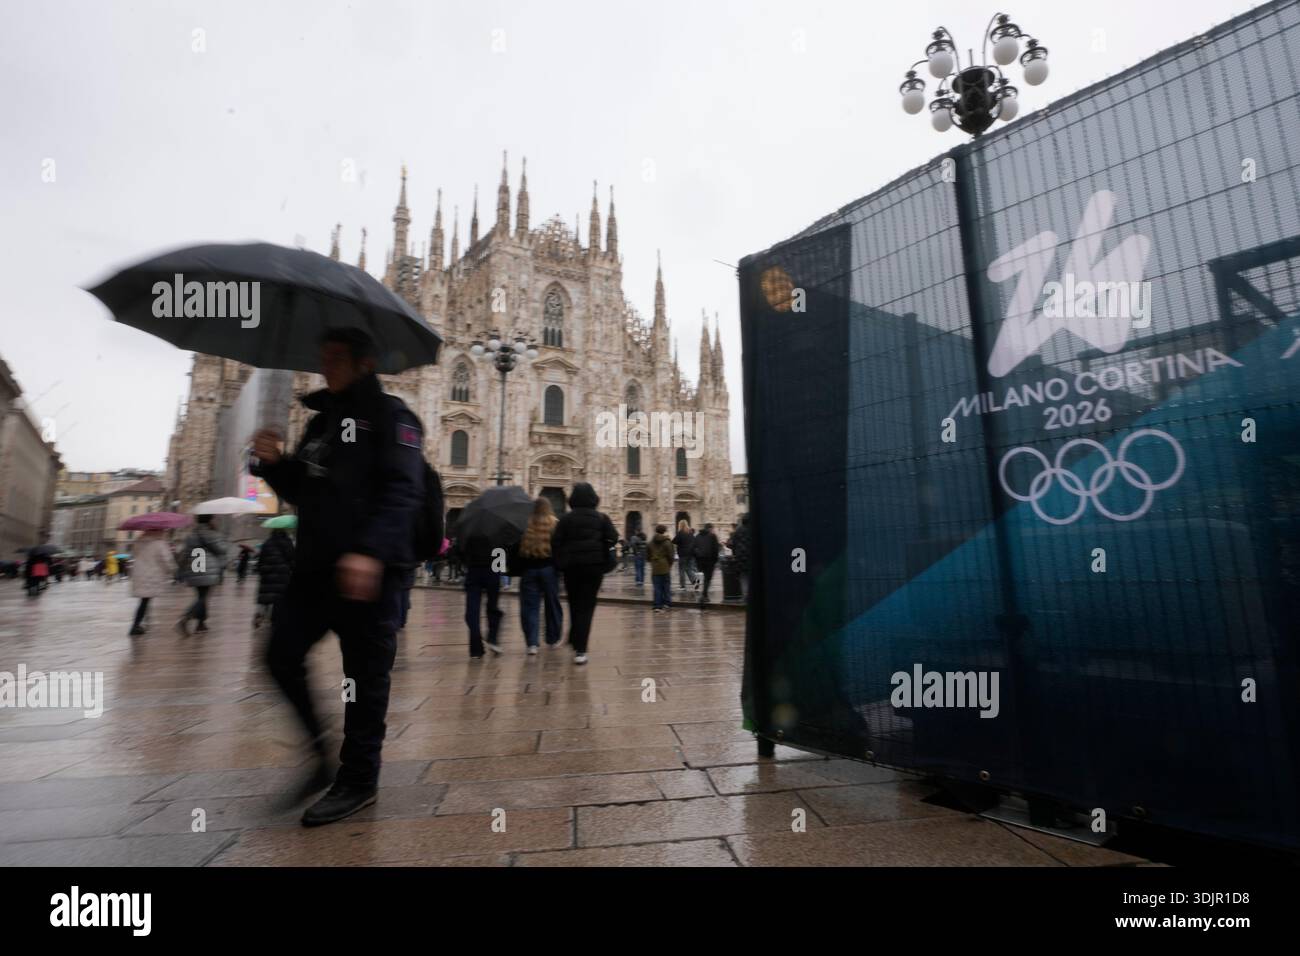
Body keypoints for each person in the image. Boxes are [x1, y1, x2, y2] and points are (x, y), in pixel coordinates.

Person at [250, 327, 424, 827]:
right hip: (317, 569)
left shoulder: (394, 418)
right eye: (323, 355)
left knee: (364, 679)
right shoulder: (322, 423)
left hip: (370, 573)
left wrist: (370, 551)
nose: (324, 365)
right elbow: (306, 490)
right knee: (279, 655)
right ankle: (319, 751)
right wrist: (276, 465)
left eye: (334, 357)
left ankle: (358, 778)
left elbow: (403, 491)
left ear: (363, 363)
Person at [550, 482, 617, 665]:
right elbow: (614, 536)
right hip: (594, 568)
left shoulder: (565, 519)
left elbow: (555, 543)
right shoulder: (601, 518)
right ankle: (581, 650)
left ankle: (575, 638)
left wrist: (561, 562)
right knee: (587, 607)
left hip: (572, 568)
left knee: (574, 604)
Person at [511, 497, 563, 655]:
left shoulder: (526, 524)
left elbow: (516, 549)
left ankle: (532, 643)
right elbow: (560, 548)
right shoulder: (555, 524)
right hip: (549, 570)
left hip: (529, 571)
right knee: (552, 605)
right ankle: (553, 639)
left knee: (529, 607)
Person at [176, 515, 228, 634]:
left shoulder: (192, 534)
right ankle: (186, 617)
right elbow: (222, 549)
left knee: (201, 597)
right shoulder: (211, 534)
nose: (216, 521)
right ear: (209, 520)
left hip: (195, 567)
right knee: (203, 598)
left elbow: (186, 553)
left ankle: (201, 624)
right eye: (214, 519)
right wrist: (221, 538)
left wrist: (181, 571)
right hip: (206, 568)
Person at [460, 528, 503, 658]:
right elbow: (503, 549)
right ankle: (492, 638)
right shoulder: (498, 528)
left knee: (472, 611)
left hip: (474, 570)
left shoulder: (470, 528)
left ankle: (476, 648)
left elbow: (461, 550)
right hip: (493, 569)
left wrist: (467, 562)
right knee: (493, 607)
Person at [129, 530, 176, 636]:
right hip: (152, 574)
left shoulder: (139, 541)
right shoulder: (160, 543)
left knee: (144, 600)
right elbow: (167, 559)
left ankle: (139, 624)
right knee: (145, 601)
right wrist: (173, 571)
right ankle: (135, 626)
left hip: (139, 573)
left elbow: (135, 554)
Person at [253, 528, 295, 629]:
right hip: (282, 574)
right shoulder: (288, 542)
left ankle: (259, 614)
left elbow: (261, 560)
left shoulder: (267, 543)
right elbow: (292, 558)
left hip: (267, 574)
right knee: (279, 598)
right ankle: (274, 619)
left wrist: (261, 570)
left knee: (265, 597)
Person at [693, 522, 722, 606]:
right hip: (709, 561)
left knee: (703, 578)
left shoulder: (697, 536)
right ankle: (704, 595)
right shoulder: (713, 536)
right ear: (710, 528)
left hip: (700, 561)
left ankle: (703, 594)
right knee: (707, 579)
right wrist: (715, 560)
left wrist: (697, 558)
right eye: (712, 528)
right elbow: (715, 549)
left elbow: (693, 548)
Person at [648, 524, 675, 612]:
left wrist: (653, 562)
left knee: (657, 587)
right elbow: (671, 555)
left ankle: (657, 605)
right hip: (665, 566)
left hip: (655, 567)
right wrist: (669, 564)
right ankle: (667, 603)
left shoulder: (650, 542)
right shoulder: (667, 542)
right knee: (666, 586)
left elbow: (647, 556)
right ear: (664, 531)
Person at [727, 514, 752, 601]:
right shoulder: (753, 530)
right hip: (751, 556)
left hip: (741, 557)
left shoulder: (738, 530)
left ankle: (745, 596)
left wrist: (735, 550)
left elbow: (730, 543)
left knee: (743, 577)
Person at [673, 520, 697, 591]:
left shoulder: (680, 533)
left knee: (682, 570)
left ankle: (682, 586)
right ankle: (695, 581)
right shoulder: (690, 533)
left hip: (683, 554)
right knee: (689, 569)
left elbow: (674, 541)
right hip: (691, 554)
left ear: (680, 525)